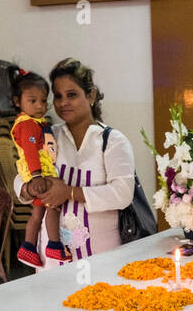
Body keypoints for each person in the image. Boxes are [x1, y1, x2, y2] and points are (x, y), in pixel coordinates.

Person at [16, 58, 135, 262]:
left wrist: (69, 192)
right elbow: (20, 178)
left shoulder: (112, 140)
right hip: (52, 259)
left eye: (72, 95)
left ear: (91, 96)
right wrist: (29, 189)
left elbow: (123, 193)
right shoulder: (48, 135)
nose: (63, 103)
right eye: (58, 96)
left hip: (102, 257)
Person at [9, 70, 67, 266]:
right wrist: (36, 176)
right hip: (38, 172)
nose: (40, 106)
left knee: (37, 213)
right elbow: (31, 152)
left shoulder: (35, 123)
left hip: (38, 172)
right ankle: (54, 245)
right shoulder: (28, 126)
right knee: (53, 206)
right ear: (17, 101)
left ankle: (28, 246)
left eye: (43, 101)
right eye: (32, 101)